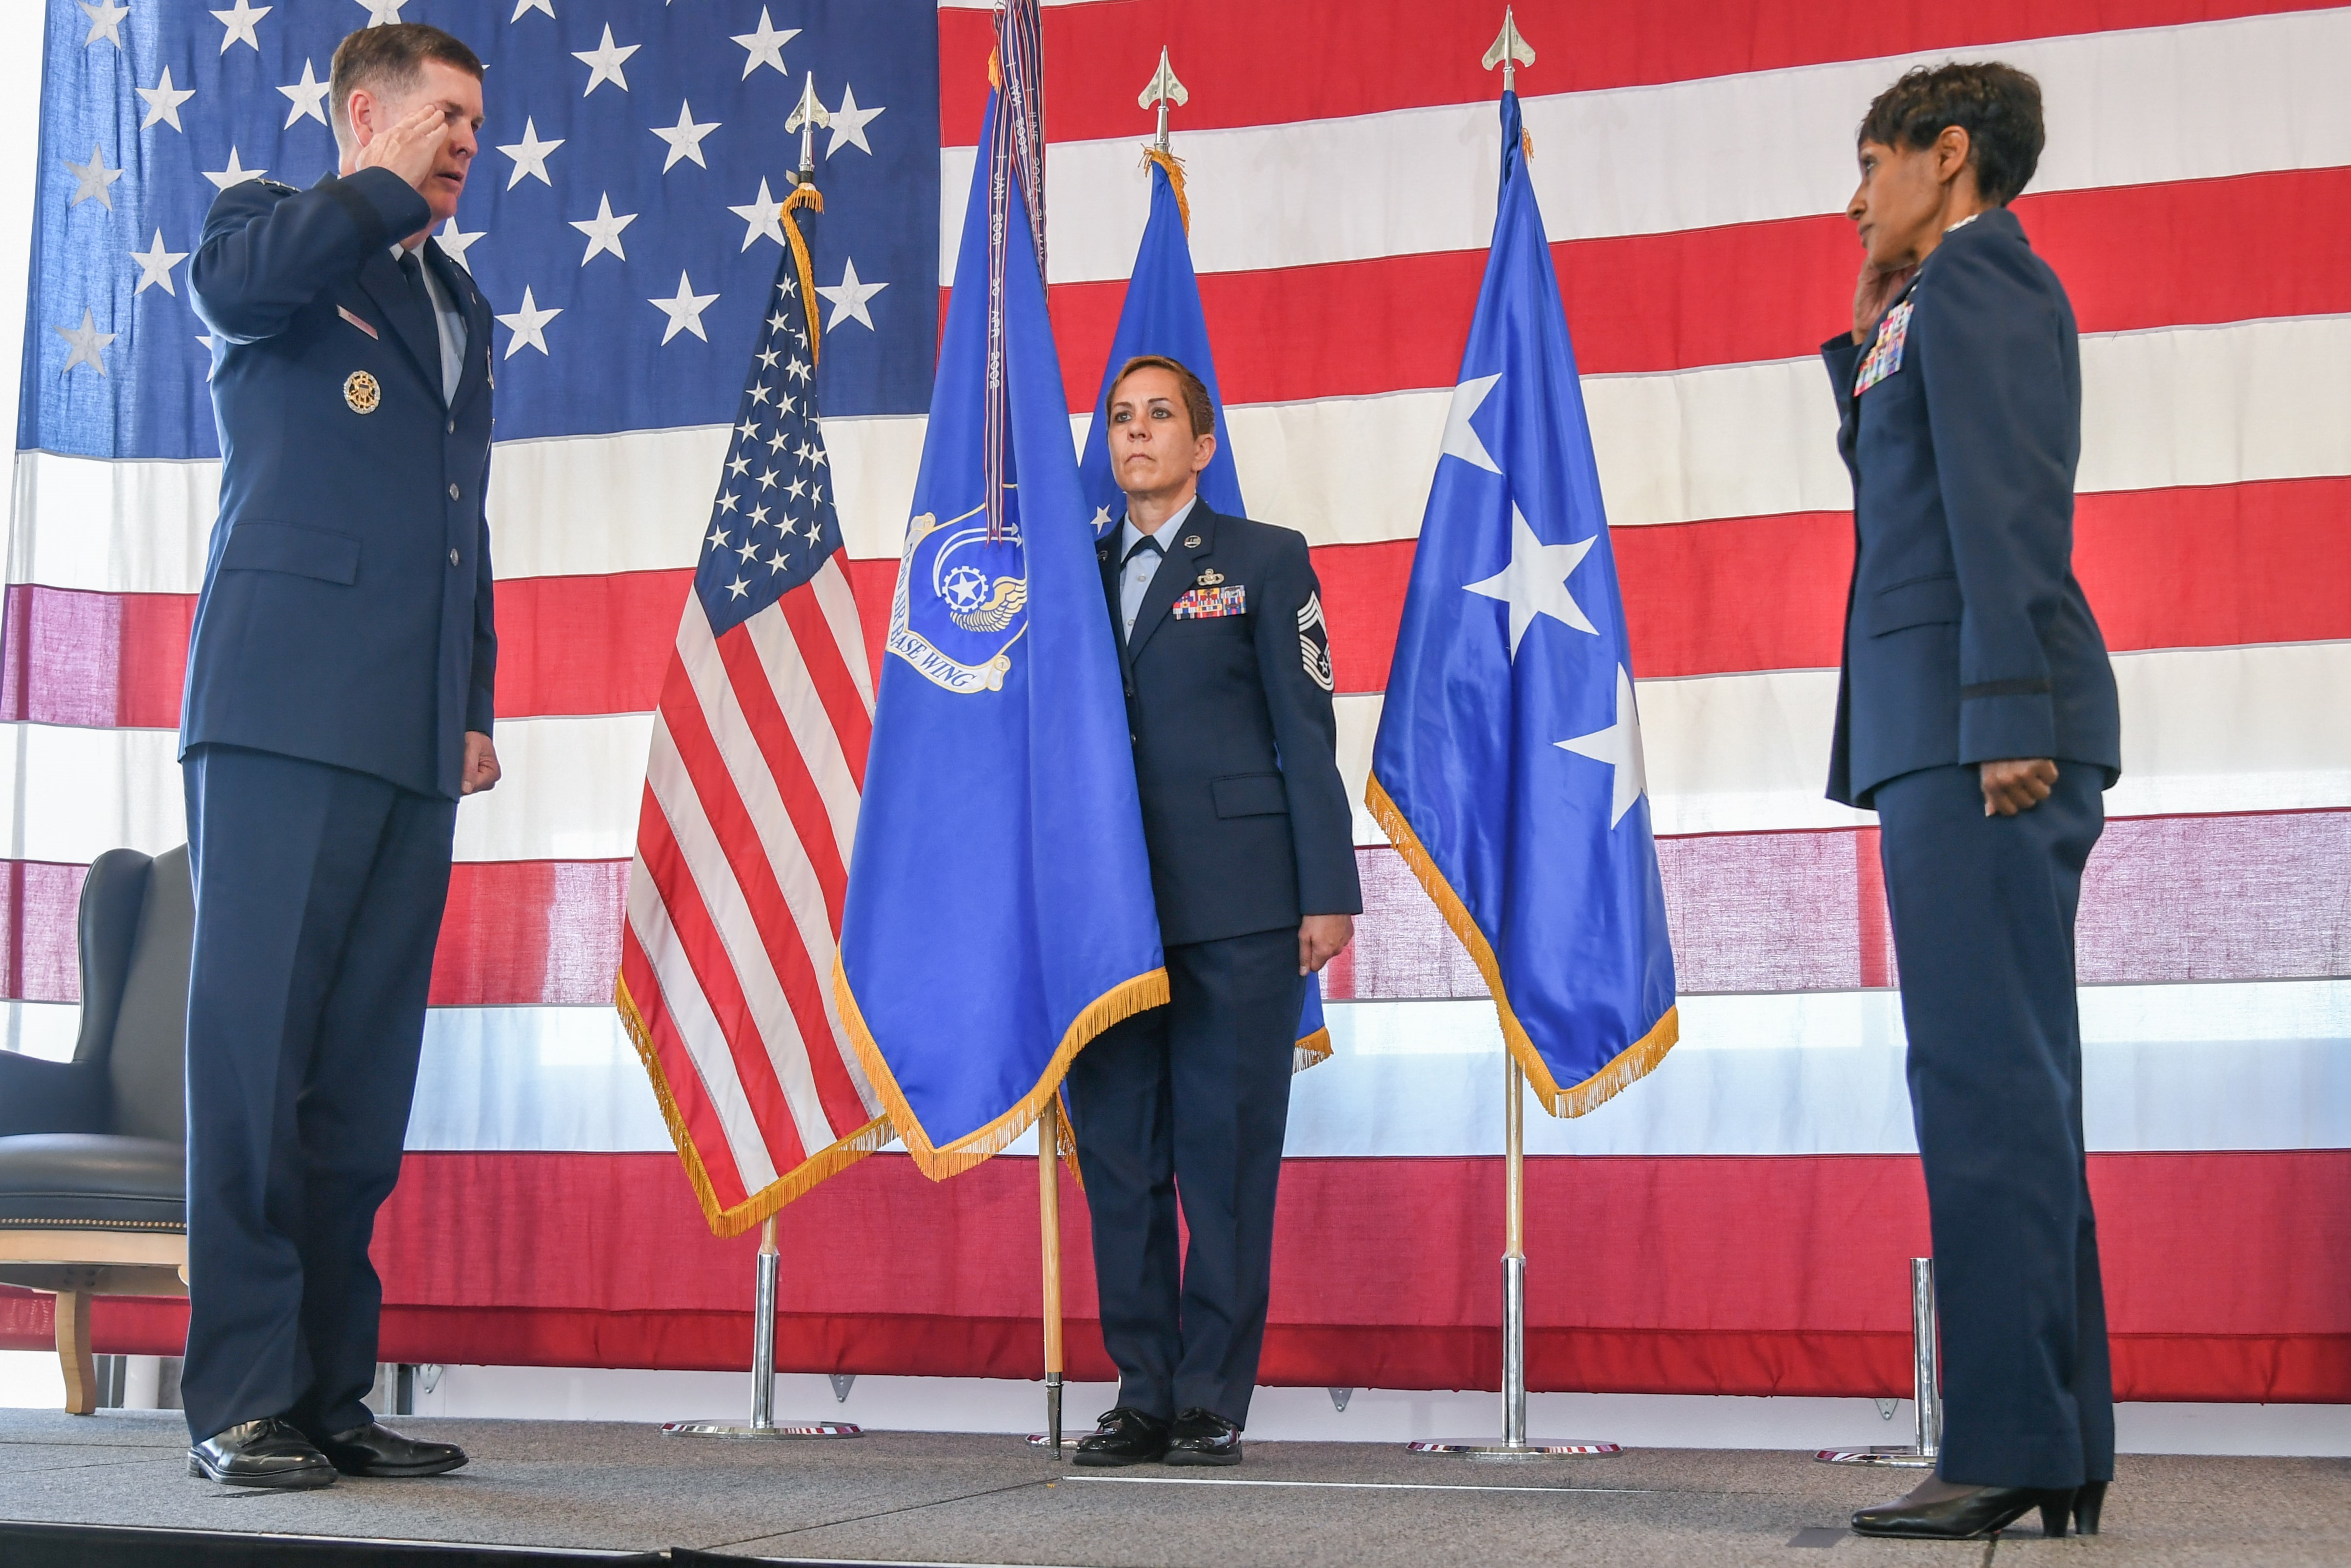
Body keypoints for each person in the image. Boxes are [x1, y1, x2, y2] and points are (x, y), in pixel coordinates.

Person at [179, 23, 500, 1488]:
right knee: (257, 1067)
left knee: (359, 1085)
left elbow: (459, 525)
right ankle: (238, 1397)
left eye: (477, 129)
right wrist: (380, 186)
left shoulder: (461, 304)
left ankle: (324, 1389)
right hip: (280, 708)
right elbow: (241, 291)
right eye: (445, 118)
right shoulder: (273, 232)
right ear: (365, 116)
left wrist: (473, 700)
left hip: (406, 729)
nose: (465, 147)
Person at [1822, 64, 2122, 1541]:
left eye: (1871, 164)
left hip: (1976, 729)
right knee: (2011, 1085)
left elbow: (2009, 499)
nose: (1854, 191)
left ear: (1950, 157)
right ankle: (2050, 1439)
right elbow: (1913, 484)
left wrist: (2005, 711)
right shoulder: (1923, 302)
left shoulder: (1986, 281)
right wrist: (1876, 303)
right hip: (1941, 721)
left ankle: (2006, 1439)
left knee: (1983, 1087)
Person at [1063, 357, 1360, 1467]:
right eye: (1122, 418)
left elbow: (1306, 725)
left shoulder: (1263, 558)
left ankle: (1209, 1395)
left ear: (1202, 443)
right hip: (1107, 910)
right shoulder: (1072, 568)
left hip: (1239, 902)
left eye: (1160, 417)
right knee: (1120, 1152)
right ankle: (1142, 1387)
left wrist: (1325, 887)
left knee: (1225, 1153)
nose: (1137, 434)